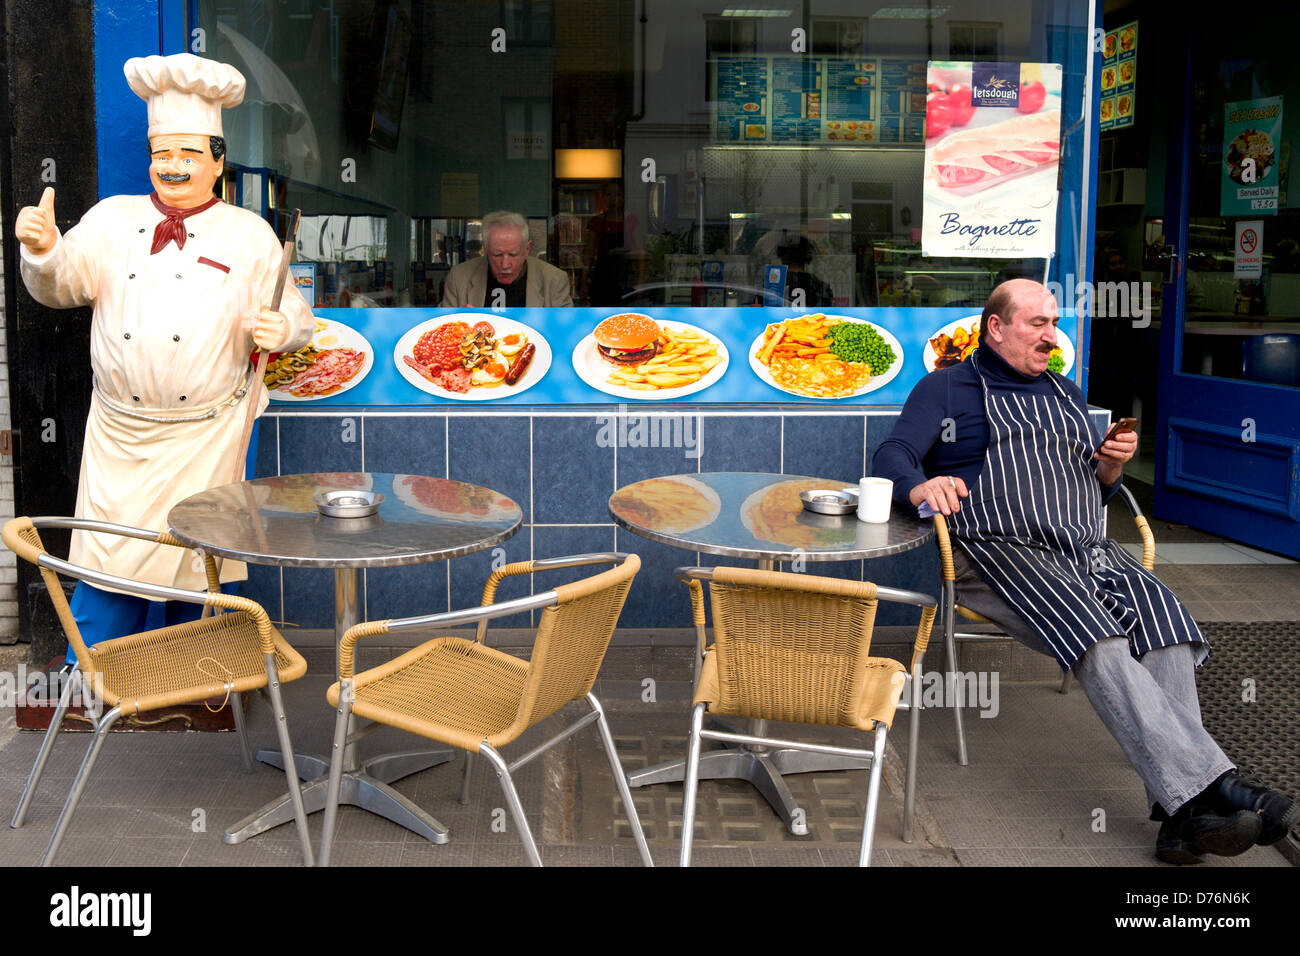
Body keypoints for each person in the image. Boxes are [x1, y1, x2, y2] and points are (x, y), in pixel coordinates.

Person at [873, 278, 1298, 864]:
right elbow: (891, 454)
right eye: (1037, 324)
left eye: (1054, 323)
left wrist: (1108, 468)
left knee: (1165, 623)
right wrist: (923, 483)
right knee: (1096, 637)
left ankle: (1182, 820)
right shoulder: (947, 389)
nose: (1052, 336)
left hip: (1084, 548)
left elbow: (1092, 491)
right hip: (1000, 552)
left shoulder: (1067, 393)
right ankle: (1221, 788)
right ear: (995, 328)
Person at [15, 53, 315, 662]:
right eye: (162, 155)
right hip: (120, 437)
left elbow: (298, 318)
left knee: (193, 564)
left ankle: (186, 677)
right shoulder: (111, 220)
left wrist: (281, 326)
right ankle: (90, 677)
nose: (172, 168)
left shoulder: (249, 233)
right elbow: (60, 285)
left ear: (217, 162)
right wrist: (44, 251)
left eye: (188, 155)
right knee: (108, 559)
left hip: (206, 435)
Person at [440, 210, 572, 307]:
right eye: (497, 255)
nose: (505, 265)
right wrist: (461, 323)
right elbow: (442, 330)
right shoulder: (459, 277)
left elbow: (567, 332)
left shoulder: (554, 280)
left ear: (527, 249)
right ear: (485, 249)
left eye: (513, 254)